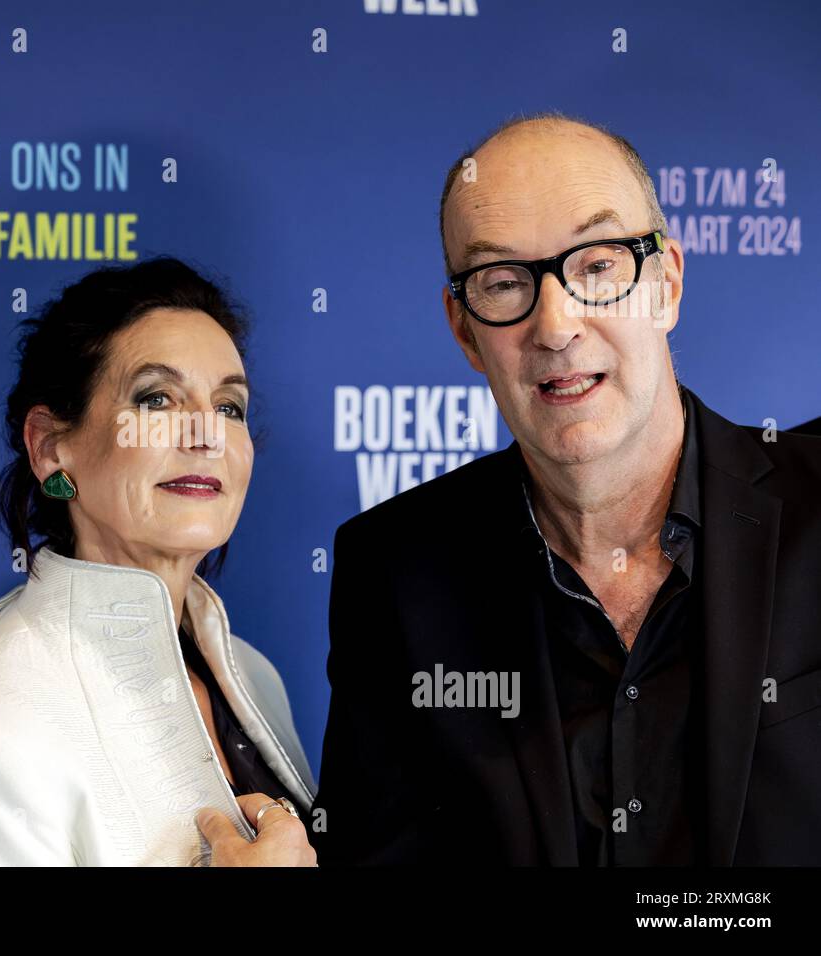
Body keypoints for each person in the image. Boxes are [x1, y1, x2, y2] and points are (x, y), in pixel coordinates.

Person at [313, 112, 821, 866]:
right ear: (464, 332)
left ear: (667, 284)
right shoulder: (394, 573)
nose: (556, 324)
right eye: (503, 282)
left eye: (597, 265)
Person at [0, 258, 317, 866]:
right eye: (157, 398)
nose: (207, 435)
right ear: (52, 448)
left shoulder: (254, 677)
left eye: (229, 407)